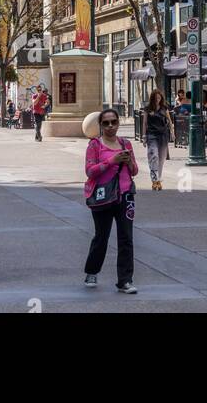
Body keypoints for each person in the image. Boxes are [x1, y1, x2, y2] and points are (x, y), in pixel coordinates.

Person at [83, 108, 139, 293]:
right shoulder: (95, 145)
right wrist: (112, 160)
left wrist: (129, 161)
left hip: (125, 195)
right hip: (102, 196)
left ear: (118, 123)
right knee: (102, 237)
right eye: (106, 123)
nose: (110, 126)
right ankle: (92, 271)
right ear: (100, 125)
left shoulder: (125, 144)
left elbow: (134, 171)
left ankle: (125, 281)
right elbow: (90, 171)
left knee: (126, 238)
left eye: (113, 122)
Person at [144, 90, 172, 191]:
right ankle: (154, 179)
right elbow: (145, 123)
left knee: (161, 159)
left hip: (163, 135)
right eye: (156, 98)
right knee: (154, 156)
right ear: (152, 98)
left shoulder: (164, 108)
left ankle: (158, 179)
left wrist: (172, 134)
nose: (157, 100)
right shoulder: (148, 109)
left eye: (159, 98)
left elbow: (169, 121)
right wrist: (144, 137)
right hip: (151, 135)